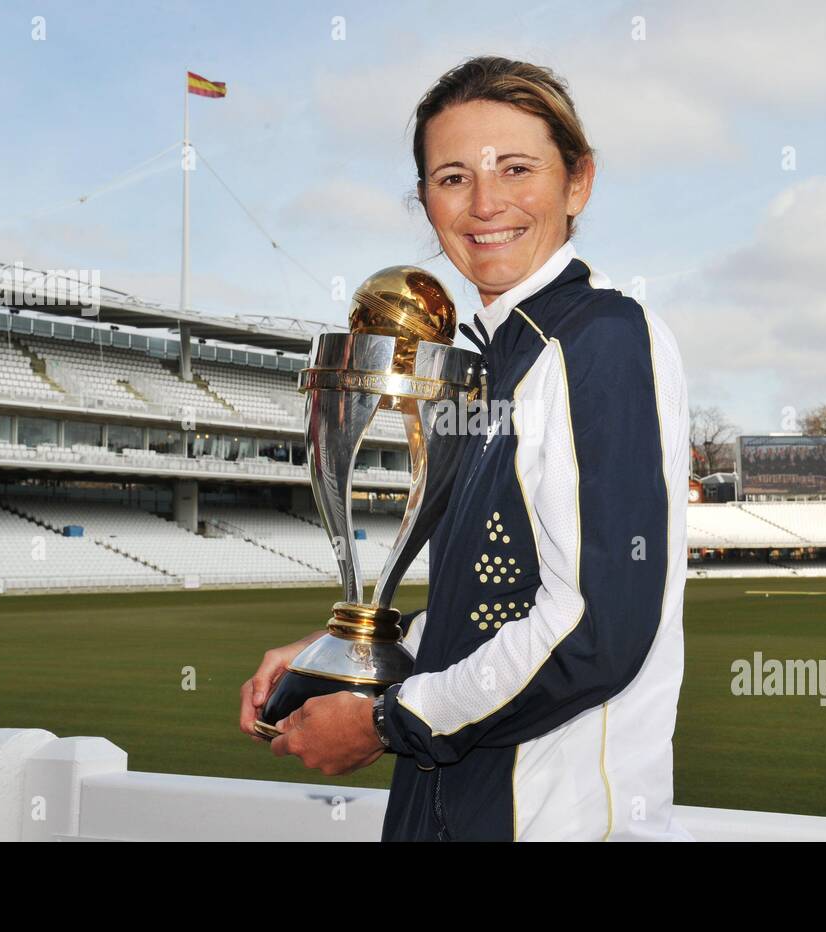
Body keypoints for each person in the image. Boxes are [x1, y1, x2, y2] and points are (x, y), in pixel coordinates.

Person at [238, 55, 691, 841]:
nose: (486, 204)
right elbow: (490, 603)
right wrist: (342, 653)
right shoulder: (493, 361)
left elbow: (595, 631)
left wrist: (382, 722)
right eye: (452, 178)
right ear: (424, 201)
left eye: (516, 168)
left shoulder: (600, 340)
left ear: (577, 182)